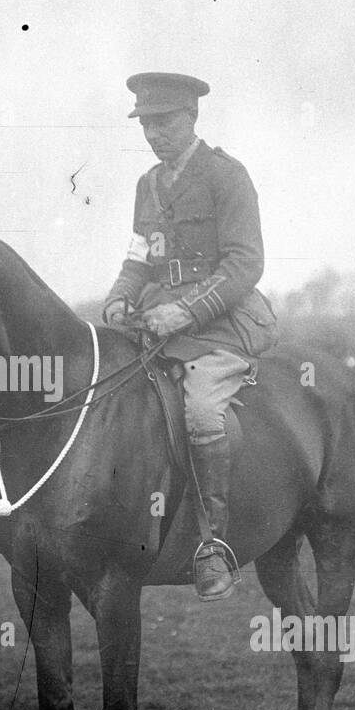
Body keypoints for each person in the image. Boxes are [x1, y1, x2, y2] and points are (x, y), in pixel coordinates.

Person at [102, 72, 277, 600]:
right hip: (155, 321)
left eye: (164, 122)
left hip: (220, 324)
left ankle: (213, 546)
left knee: (202, 410)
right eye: (147, 124)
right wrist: (117, 298)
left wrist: (185, 312)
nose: (154, 134)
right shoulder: (147, 186)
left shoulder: (227, 176)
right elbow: (139, 259)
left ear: (192, 118)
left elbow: (247, 262)